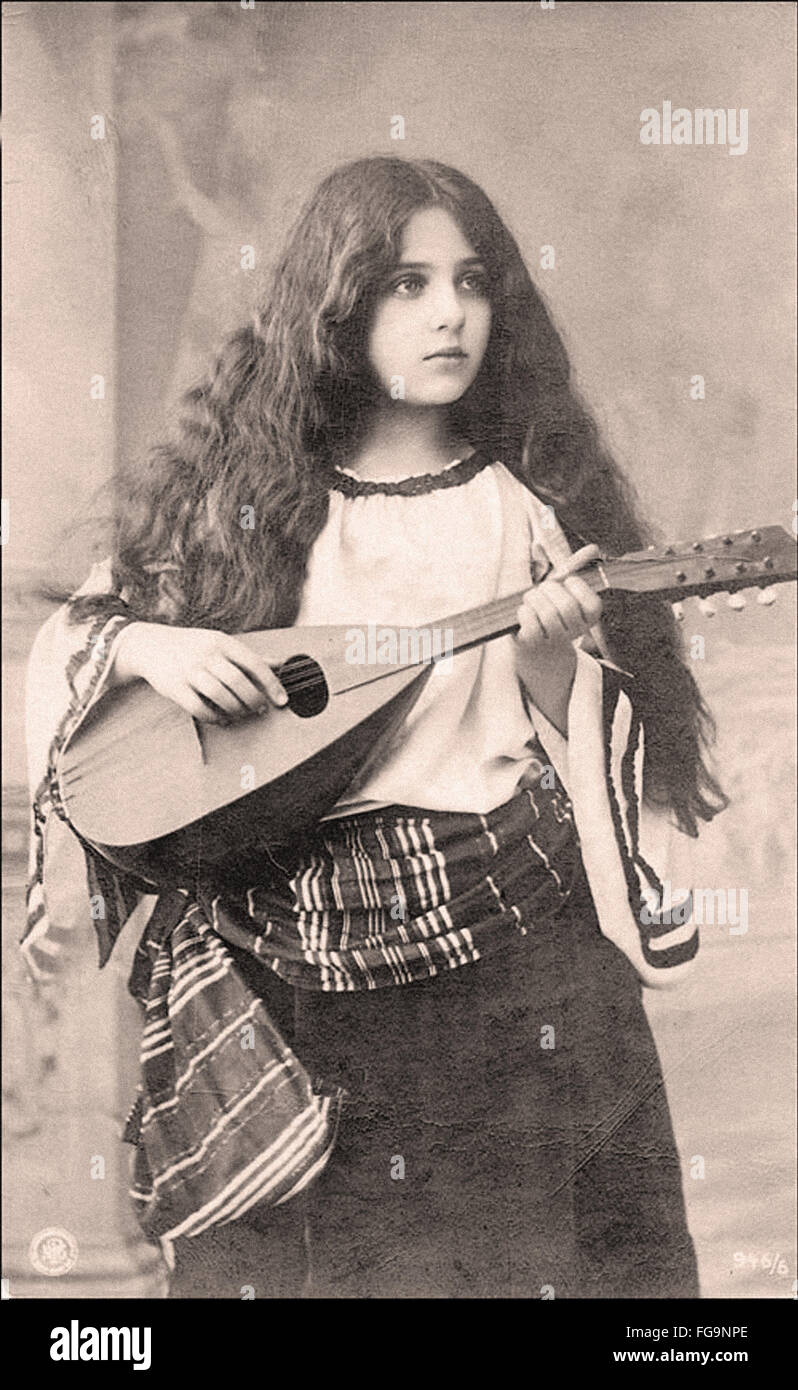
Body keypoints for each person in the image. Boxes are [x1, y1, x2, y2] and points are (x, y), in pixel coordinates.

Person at [21, 156, 728, 1299]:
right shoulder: (250, 502)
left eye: (472, 282)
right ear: (338, 304)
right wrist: (157, 645)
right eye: (406, 284)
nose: (450, 312)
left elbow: (593, 744)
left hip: (511, 970)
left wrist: (549, 662)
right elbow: (82, 641)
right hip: (296, 986)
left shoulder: (525, 505)